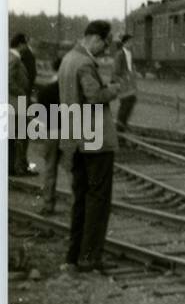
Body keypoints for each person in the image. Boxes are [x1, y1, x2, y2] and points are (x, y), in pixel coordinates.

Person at [58, 20, 120, 273]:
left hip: (75, 138)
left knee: (81, 199)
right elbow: (94, 96)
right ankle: (90, 257)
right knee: (98, 199)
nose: (105, 50)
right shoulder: (84, 63)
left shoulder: (68, 60)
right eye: (105, 44)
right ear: (95, 38)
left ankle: (74, 256)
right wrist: (113, 90)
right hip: (94, 140)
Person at [37, 55, 64, 214]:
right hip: (69, 134)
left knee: (50, 169)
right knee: (73, 171)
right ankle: (78, 207)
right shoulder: (71, 89)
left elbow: (40, 116)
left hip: (51, 132)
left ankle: (48, 204)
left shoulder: (46, 90)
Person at [8, 39, 32, 175]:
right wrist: (22, 92)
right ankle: (15, 167)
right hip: (16, 103)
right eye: (25, 44)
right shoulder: (14, 59)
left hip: (14, 103)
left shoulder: (12, 58)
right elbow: (8, 80)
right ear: (20, 44)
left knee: (13, 137)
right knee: (18, 136)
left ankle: (13, 166)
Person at [113, 34, 138, 131]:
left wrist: (132, 74)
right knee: (125, 103)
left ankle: (123, 123)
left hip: (130, 83)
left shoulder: (130, 53)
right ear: (125, 43)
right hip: (123, 82)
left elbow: (131, 67)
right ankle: (120, 126)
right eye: (130, 42)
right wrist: (124, 76)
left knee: (132, 100)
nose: (132, 44)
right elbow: (116, 70)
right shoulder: (119, 54)